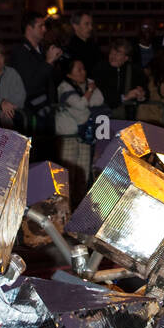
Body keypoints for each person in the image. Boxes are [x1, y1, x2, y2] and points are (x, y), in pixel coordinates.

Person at [9, 12, 62, 161]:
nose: (44, 29)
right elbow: (28, 85)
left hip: (46, 116)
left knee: (48, 158)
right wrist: (48, 62)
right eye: (40, 26)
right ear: (29, 28)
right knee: (33, 160)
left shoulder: (42, 50)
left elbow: (52, 81)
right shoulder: (20, 52)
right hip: (31, 118)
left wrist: (55, 62)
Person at [55, 59, 105, 204]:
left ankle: (79, 206)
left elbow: (99, 99)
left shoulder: (86, 86)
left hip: (85, 135)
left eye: (84, 68)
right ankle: (64, 207)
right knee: (67, 174)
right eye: (79, 70)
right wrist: (89, 92)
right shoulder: (64, 88)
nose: (83, 72)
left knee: (83, 173)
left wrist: (87, 96)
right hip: (68, 136)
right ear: (69, 74)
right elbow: (81, 104)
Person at [94, 36, 147, 121]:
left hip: (129, 118)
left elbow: (145, 91)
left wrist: (141, 95)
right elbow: (103, 94)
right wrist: (125, 97)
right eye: (112, 52)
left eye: (118, 54)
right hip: (104, 118)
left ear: (126, 58)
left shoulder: (134, 70)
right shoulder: (101, 69)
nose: (113, 56)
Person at [63, 11, 104, 75]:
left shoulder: (93, 44)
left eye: (91, 24)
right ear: (75, 26)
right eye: (86, 24)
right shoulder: (70, 48)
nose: (91, 28)